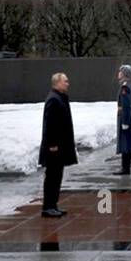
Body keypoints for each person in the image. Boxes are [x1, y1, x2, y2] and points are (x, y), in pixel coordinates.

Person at [39, 71, 77, 217]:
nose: (68, 83)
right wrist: (53, 144)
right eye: (65, 81)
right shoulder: (54, 100)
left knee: (57, 176)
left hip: (60, 146)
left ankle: (53, 205)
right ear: (57, 83)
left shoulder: (60, 98)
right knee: (52, 177)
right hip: (54, 147)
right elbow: (50, 125)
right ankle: (47, 207)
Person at [114, 64, 131, 176]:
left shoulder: (125, 87)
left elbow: (126, 105)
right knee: (127, 144)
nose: (118, 73)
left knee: (125, 144)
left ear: (124, 74)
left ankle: (125, 168)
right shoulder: (129, 85)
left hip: (125, 118)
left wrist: (125, 122)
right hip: (128, 117)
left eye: (120, 72)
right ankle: (125, 167)